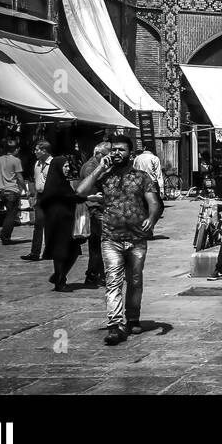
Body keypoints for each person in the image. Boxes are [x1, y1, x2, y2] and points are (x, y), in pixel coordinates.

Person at [75, 134, 162, 346]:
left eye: (121, 150)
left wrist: (152, 218)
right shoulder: (104, 177)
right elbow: (80, 192)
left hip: (136, 238)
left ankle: (132, 319)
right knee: (113, 281)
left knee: (134, 280)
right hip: (111, 237)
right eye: (113, 149)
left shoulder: (142, 177)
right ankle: (114, 325)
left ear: (130, 154)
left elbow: (154, 202)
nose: (116, 153)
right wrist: (98, 169)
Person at [38, 153, 82, 290]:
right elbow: (67, 198)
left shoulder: (63, 183)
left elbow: (71, 197)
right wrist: (88, 198)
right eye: (65, 166)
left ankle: (58, 276)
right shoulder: (54, 185)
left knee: (74, 251)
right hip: (58, 223)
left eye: (68, 166)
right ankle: (60, 281)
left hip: (67, 221)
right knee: (60, 251)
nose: (67, 168)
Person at [79, 142, 111, 285]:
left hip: (99, 207)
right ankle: (96, 274)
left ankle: (94, 274)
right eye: (106, 155)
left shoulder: (98, 166)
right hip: (94, 208)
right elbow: (96, 181)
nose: (108, 158)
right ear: (97, 154)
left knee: (97, 244)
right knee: (100, 243)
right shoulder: (90, 167)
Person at [21, 139, 54, 261]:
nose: (35, 152)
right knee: (38, 224)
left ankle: (51, 251)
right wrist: (33, 196)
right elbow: (35, 180)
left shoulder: (54, 163)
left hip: (51, 197)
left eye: (37, 149)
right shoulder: (37, 164)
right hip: (40, 197)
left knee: (51, 225)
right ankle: (35, 253)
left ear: (44, 150)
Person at [0, 140, 26, 245]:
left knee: (9, 213)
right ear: (15, 149)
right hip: (12, 190)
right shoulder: (16, 160)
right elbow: (19, 177)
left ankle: (5, 235)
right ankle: (5, 235)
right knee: (11, 214)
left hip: (1, 191)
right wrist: (25, 189)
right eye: (18, 148)